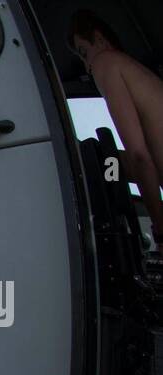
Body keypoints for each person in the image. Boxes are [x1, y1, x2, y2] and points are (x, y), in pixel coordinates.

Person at [68, 9, 163, 245]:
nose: (86, 66)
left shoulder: (105, 62)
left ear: (99, 39)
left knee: (99, 161)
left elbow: (139, 156)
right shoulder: (141, 74)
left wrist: (160, 231)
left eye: (84, 53)